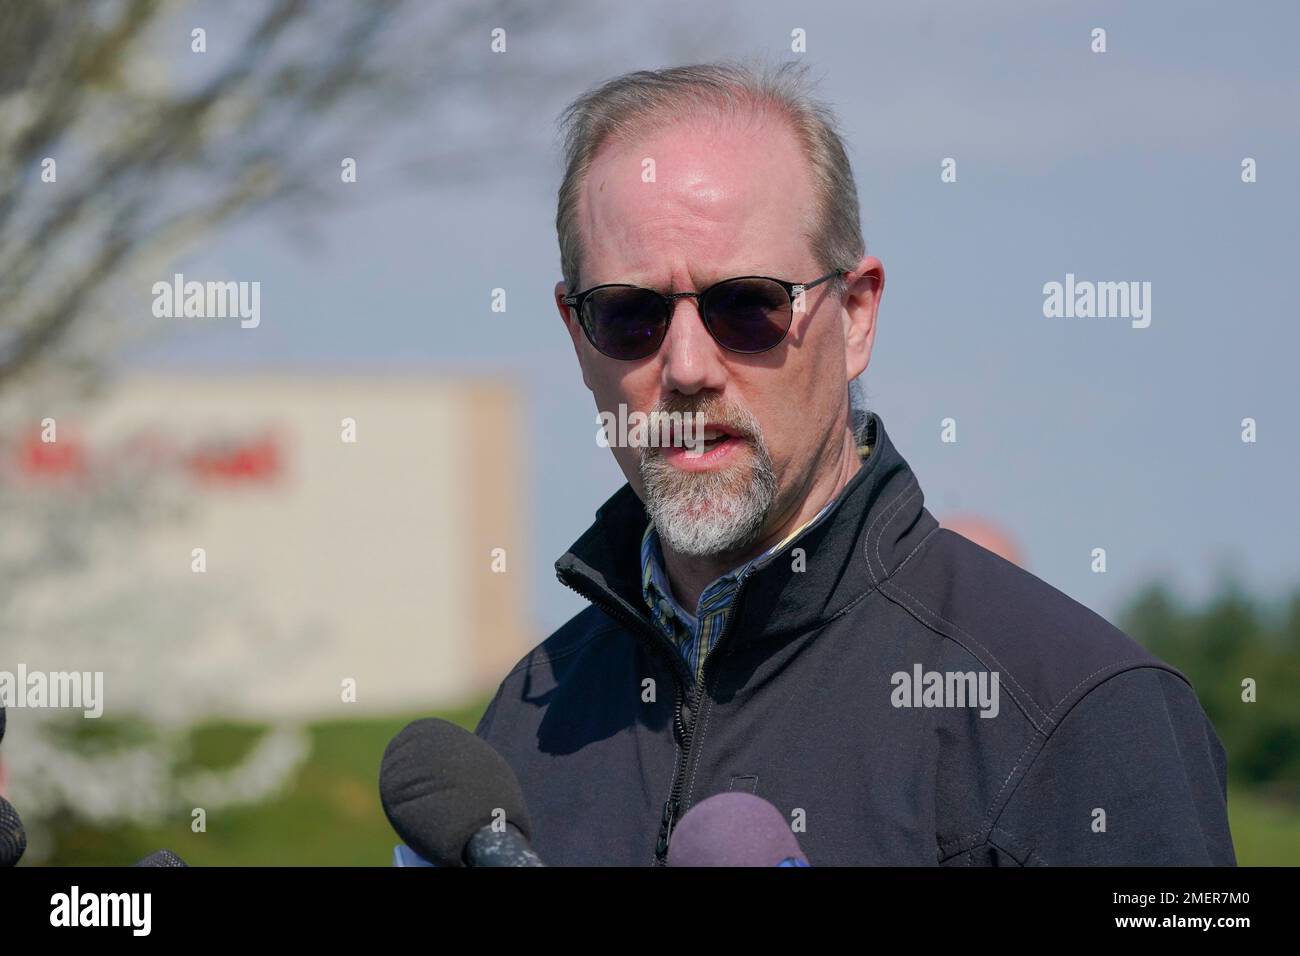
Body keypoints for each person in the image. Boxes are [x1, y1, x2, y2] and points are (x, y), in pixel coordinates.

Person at [475, 61, 1235, 866]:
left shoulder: (1078, 716)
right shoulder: (526, 728)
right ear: (576, 334)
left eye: (748, 305)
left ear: (857, 315)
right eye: (630, 314)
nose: (688, 367)